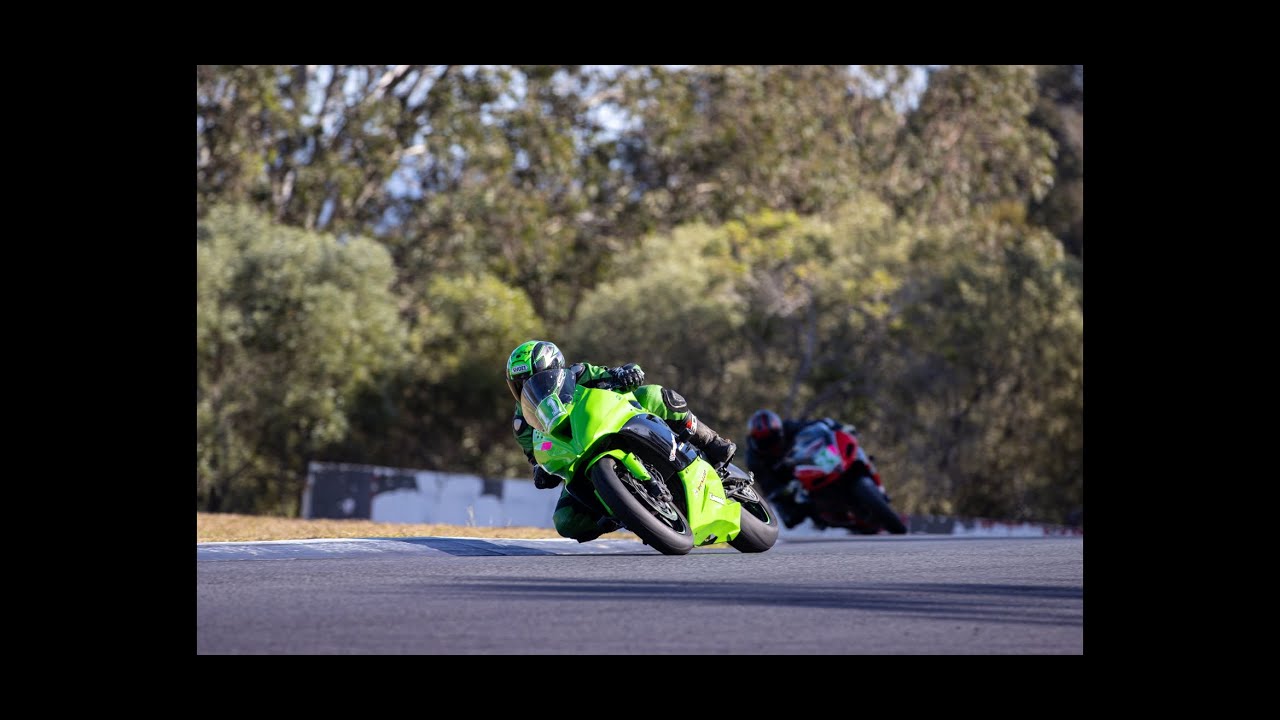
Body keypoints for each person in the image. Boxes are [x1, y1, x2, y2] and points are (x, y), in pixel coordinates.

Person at [505, 339, 738, 543]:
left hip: (618, 420)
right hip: (577, 457)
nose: (529, 387)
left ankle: (711, 442)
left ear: (555, 367)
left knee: (656, 395)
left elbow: (611, 373)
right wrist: (540, 470)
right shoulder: (523, 424)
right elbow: (534, 456)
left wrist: (626, 373)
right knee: (565, 520)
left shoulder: (578, 373)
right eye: (520, 384)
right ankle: (625, 513)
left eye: (534, 378)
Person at [744, 409, 862, 529]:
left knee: (844, 450)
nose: (770, 444)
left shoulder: (788, 427)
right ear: (755, 440)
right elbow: (768, 486)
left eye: (773, 438)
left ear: (780, 432)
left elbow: (815, 425)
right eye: (764, 442)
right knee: (790, 518)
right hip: (789, 483)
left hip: (809, 464)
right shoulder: (753, 459)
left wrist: (837, 426)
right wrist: (785, 490)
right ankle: (826, 519)